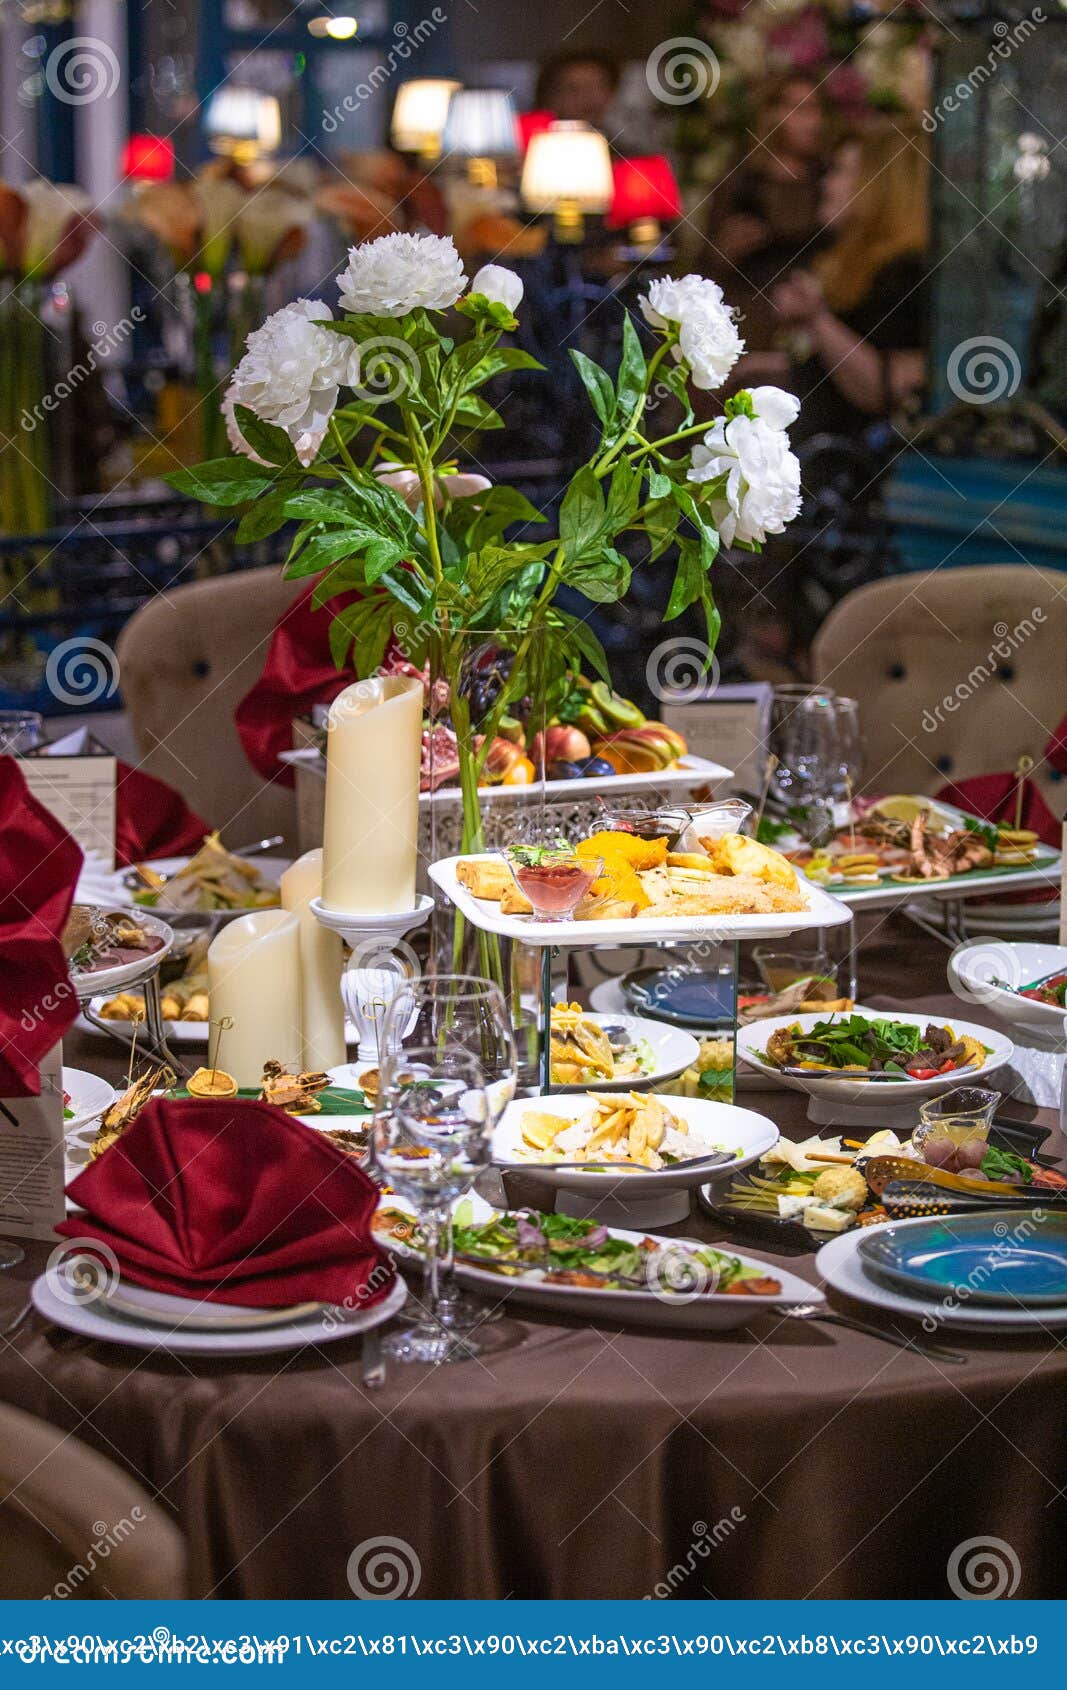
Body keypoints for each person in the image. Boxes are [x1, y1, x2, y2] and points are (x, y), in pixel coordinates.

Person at [744, 121, 930, 439]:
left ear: (879, 184)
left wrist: (817, 320)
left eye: (841, 171)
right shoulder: (853, 263)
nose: (826, 184)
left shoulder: (909, 273)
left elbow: (880, 390)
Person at [701, 71, 831, 348]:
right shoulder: (741, 181)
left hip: (815, 314)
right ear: (772, 113)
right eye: (800, 110)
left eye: (817, 109)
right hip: (751, 311)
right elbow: (706, 263)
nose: (814, 122)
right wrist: (724, 251)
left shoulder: (829, 177)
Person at [533, 50, 620, 132]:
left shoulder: (626, 144)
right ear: (550, 100)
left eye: (598, 87)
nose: (588, 97)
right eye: (573, 89)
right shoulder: (536, 145)